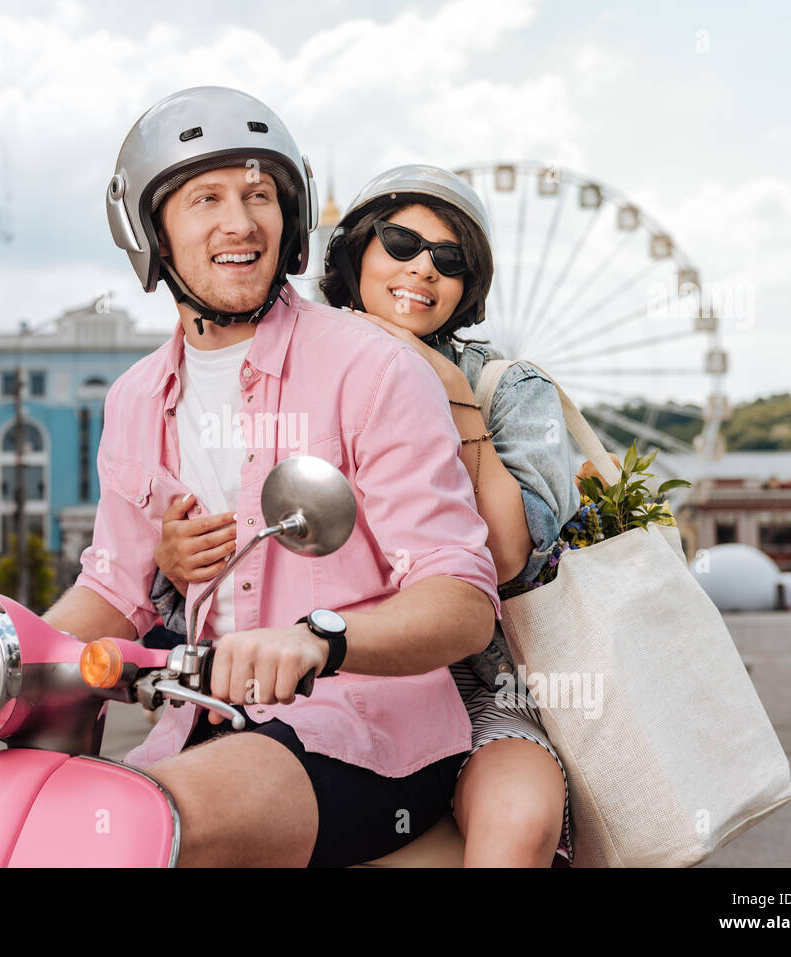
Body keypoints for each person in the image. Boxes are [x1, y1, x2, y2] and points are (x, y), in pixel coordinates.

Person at [41, 87, 501, 867]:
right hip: (205, 720)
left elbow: (459, 599)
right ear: (150, 230)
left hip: (364, 732)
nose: (240, 222)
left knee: (124, 831)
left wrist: (322, 639)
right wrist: (1, 653)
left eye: (260, 195)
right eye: (205, 198)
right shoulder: (133, 402)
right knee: (29, 823)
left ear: (291, 217)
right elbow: (115, 588)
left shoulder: (372, 368)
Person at [156, 165, 580, 866]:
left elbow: (507, 556)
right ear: (356, 252)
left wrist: (448, 389)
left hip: (482, 675)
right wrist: (169, 561)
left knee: (517, 823)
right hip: (339, 679)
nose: (424, 268)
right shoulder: (285, 371)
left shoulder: (509, 387)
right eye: (402, 242)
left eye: (451, 260)